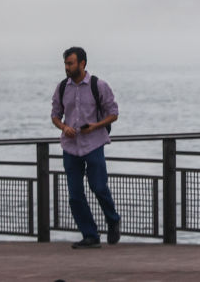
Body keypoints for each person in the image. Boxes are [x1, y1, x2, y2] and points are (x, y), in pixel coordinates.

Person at [51, 46, 121, 249]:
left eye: (70, 63)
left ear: (82, 63)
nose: (67, 67)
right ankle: (90, 235)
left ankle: (113, 219)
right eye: (65, 63)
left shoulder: (98, 85)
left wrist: (95, 126)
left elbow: (113, 113)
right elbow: (55, 114)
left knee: (98, 186)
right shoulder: (62, 87)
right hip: (71, 147)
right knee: (74, 195)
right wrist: (64, 127)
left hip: (94, 144)